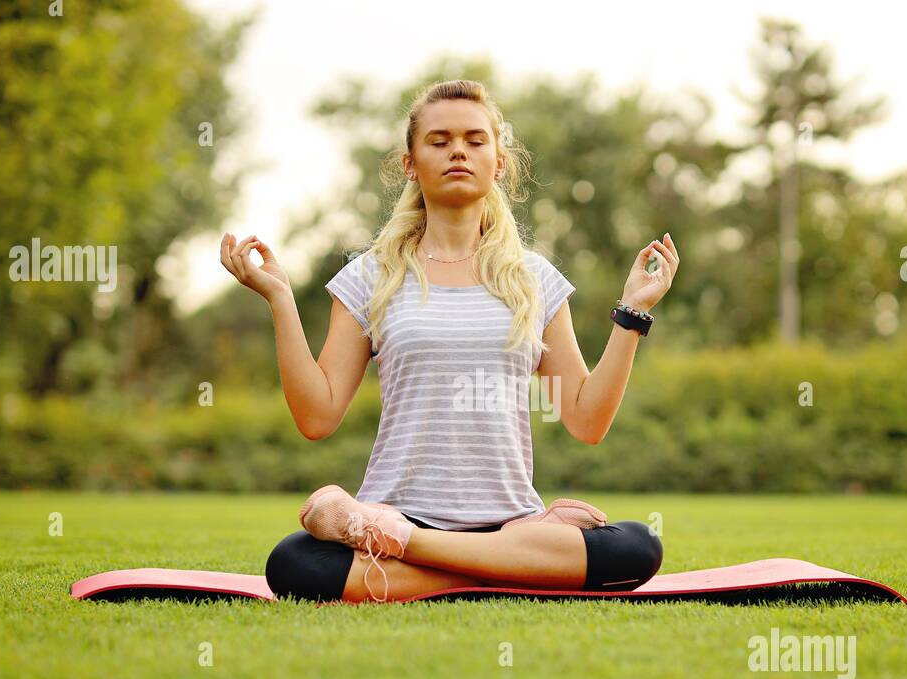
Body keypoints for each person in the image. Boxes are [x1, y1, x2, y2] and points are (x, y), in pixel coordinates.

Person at [218, 79, 679, 603]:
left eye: (475, 140)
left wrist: (633, 312)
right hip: (403, 513)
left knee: (639, 547)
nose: (458, 150)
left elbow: (586, 420)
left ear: (499, 162)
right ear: (410, 162)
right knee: (295, 564)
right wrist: (280, 300)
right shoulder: (370, 276)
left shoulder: (535, 278)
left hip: (478, 526)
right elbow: (316, 417)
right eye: (439, 141)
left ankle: (427, 549)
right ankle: (514, 567)